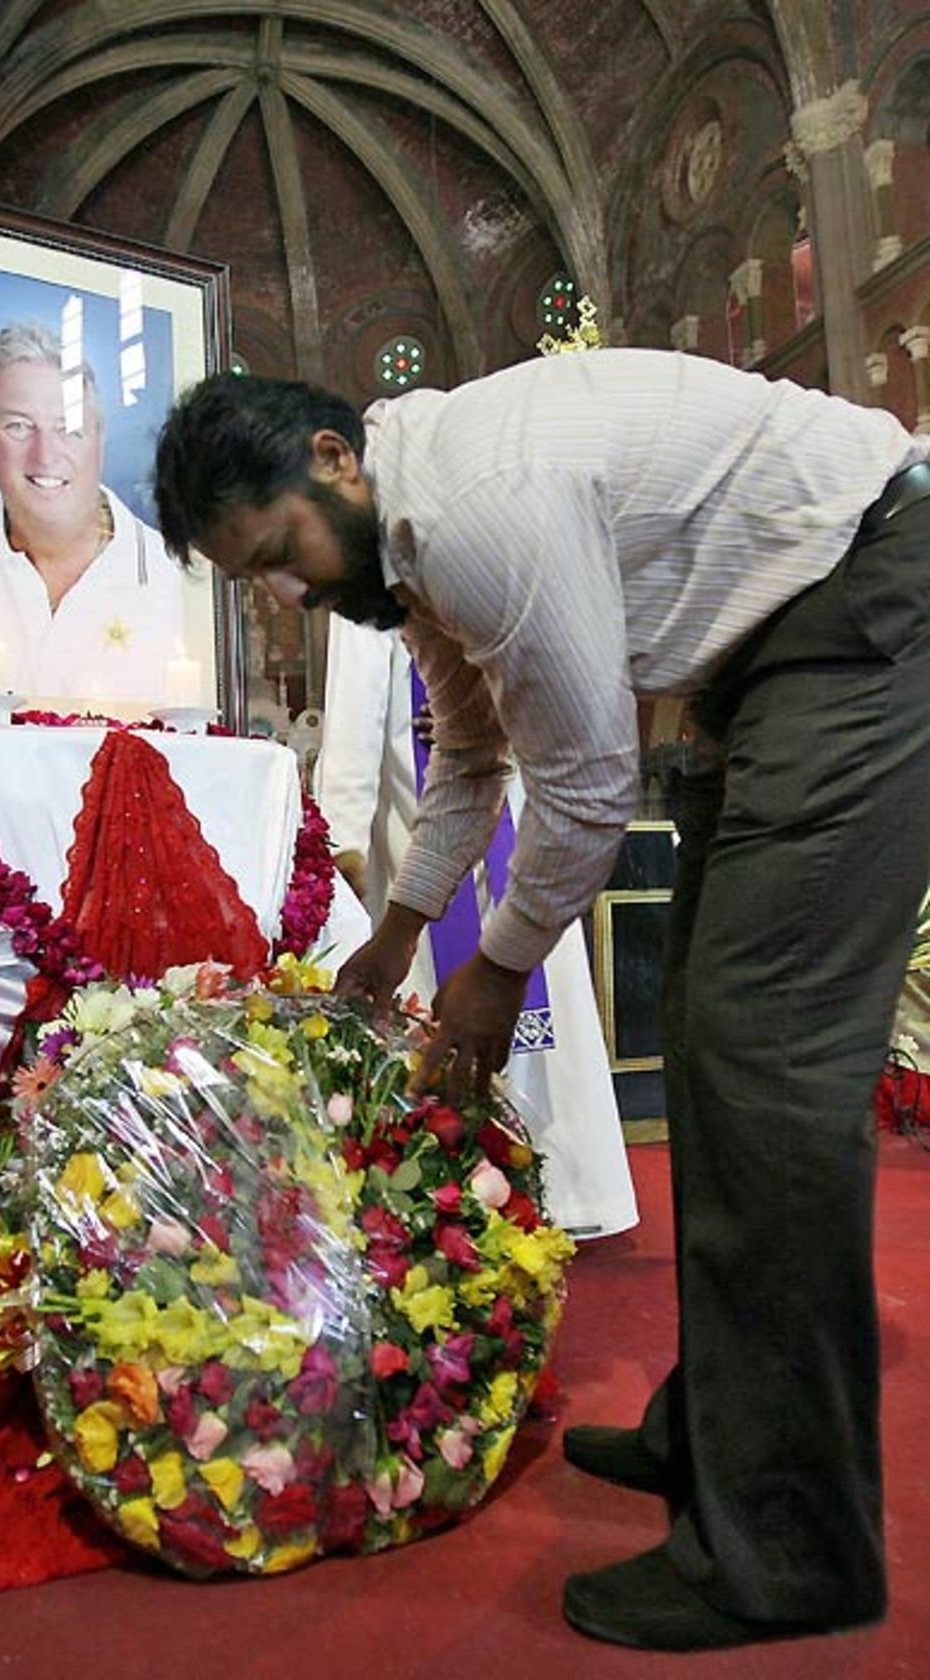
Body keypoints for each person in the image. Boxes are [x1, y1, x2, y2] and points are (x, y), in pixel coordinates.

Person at [152, 352, 930, 1651]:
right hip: (785, 647)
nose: (287, 594)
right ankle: (722, 1435)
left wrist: (498, 968)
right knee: (717, 1055)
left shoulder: (472, 505)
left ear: (335, 462)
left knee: (769, 1075)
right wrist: (400, 931)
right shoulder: (409, 538)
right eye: (257, 581)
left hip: (865, 613)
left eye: (280, 553)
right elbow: (472, 755)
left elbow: (585, 783)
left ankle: (792, 1553)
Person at [316, 614, 637, 1238]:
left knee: (526, 982)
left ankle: (552, 1187)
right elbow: (355, 745)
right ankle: (459, 1183)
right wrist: (344, 859)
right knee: (436, 996)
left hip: (519, 807)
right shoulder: (380, 595)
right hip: (428, 813)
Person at [0, 321, 186, 708]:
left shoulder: (172, 576)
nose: (45, 455)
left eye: (69, 428)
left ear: (100, 436)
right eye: (18, 427)